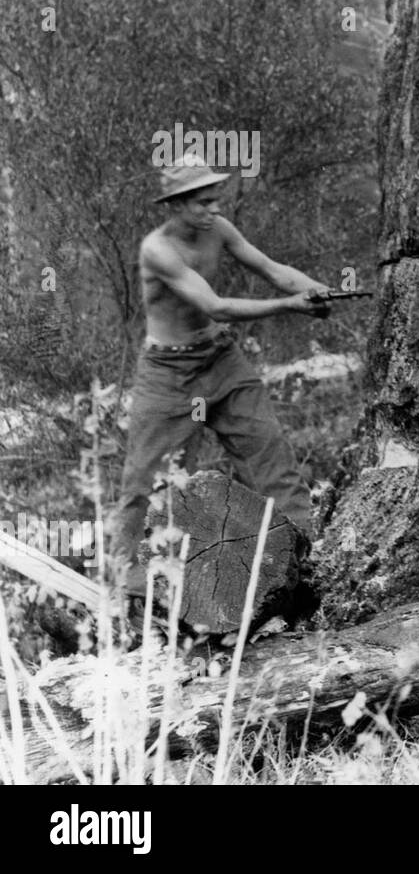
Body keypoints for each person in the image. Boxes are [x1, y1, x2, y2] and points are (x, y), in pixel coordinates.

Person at [107, 162, 331, 594]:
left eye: (214, 199)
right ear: (175, 205)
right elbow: (216, 306)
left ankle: (308, 549)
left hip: (221, 361)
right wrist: (291, 305)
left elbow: (273, 270)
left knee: (271, 455)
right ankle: (126, 581)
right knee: (146, 481)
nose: (213, 209)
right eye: (202, 202)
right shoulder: (158, 249)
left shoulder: (219, 228)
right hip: (168, 376)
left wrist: (315, 290)